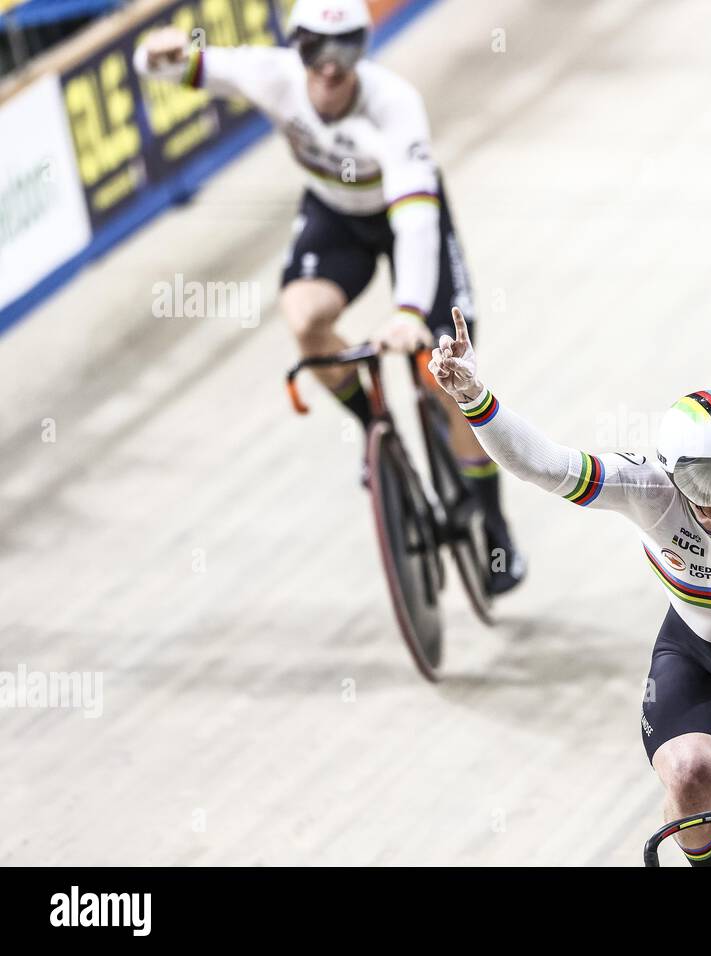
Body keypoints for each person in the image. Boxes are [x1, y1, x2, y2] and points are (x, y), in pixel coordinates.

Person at [429, 308, 711, 867]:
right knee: (689, 772)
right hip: (696, 656)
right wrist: (474, 398)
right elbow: (545, 465)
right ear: (676, 478)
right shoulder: (648, 489)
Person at [134, 0, 524, 593]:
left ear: (363, 55)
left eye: (345, 50)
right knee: (304, 318)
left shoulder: (394, 108)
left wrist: (408, 314)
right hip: (335, 214)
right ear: (297, 49)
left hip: (407, 215)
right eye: (316, 48)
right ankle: (377, 438)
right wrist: (153, 53)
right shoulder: (274, 74)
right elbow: (176, 67)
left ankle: (493, 523)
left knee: (444, 369)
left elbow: (417, 226)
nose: (330, 66)